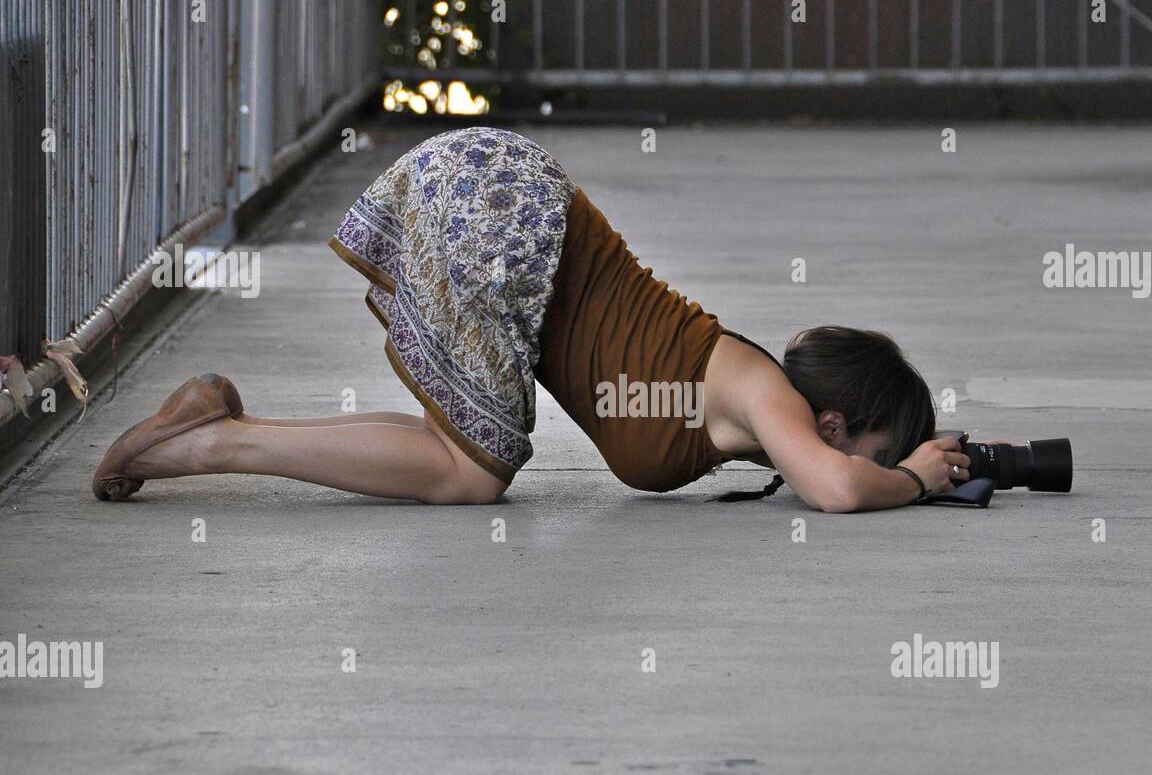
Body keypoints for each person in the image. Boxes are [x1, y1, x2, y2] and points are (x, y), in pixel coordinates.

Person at [93, 128, 969, 511]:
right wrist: (920, 481)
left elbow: (832, 473)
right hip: (512, 218)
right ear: (831, 421)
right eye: (883, 450)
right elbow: (838, 487)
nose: (884, 472)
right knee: (473, 475)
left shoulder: (742, 402)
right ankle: (215, 445)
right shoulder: (765, 395)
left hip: (505, 199)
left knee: (465, 441)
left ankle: (221, 426)